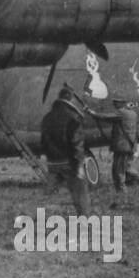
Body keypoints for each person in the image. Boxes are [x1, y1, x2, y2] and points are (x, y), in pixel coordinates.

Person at [86, 94, 139, 206]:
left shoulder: (121, 113)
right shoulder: (133, 114)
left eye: (116, 102)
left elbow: (104, 117)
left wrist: (90, 112)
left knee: (118, 170)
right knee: (125, 168)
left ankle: (122, 194)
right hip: (130, 145)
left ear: (121, 103)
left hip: (121, 146)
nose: (114, 104)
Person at [39, 85, 91, 215]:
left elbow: (43, 141)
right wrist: (79, 165)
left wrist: (45, 156)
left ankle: (38, 219)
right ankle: (84, 218)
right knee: (80, 192)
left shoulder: (47, 117)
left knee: (48, 194)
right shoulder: (73, 117)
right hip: (69, 163)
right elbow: (77, 143)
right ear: (71, 99)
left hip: (53, 163)